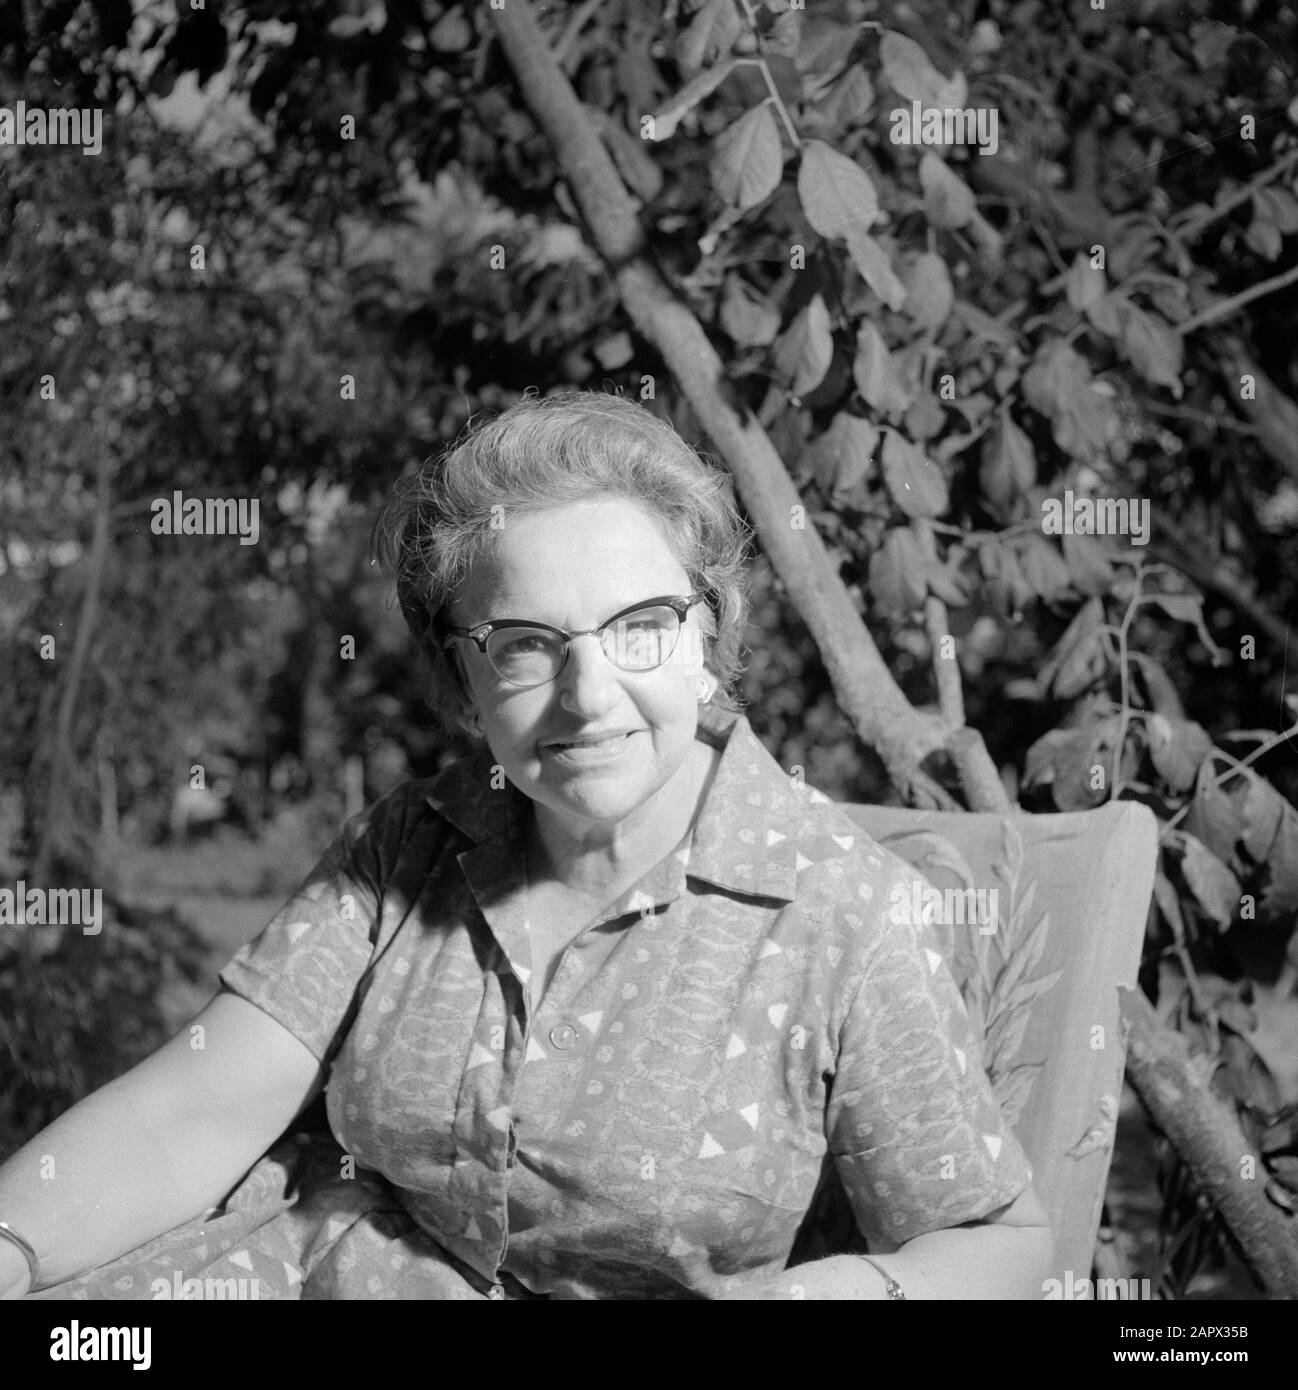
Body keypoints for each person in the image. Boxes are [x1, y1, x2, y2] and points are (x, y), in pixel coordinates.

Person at [1, 390, 1051, 1300]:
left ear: (709, 635)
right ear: (463, 685)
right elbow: (195, 1107)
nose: (588, 696)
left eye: (639, 625)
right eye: (524, 647)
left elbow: (995, 1244)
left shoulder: (845, 911)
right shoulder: (409, 841)